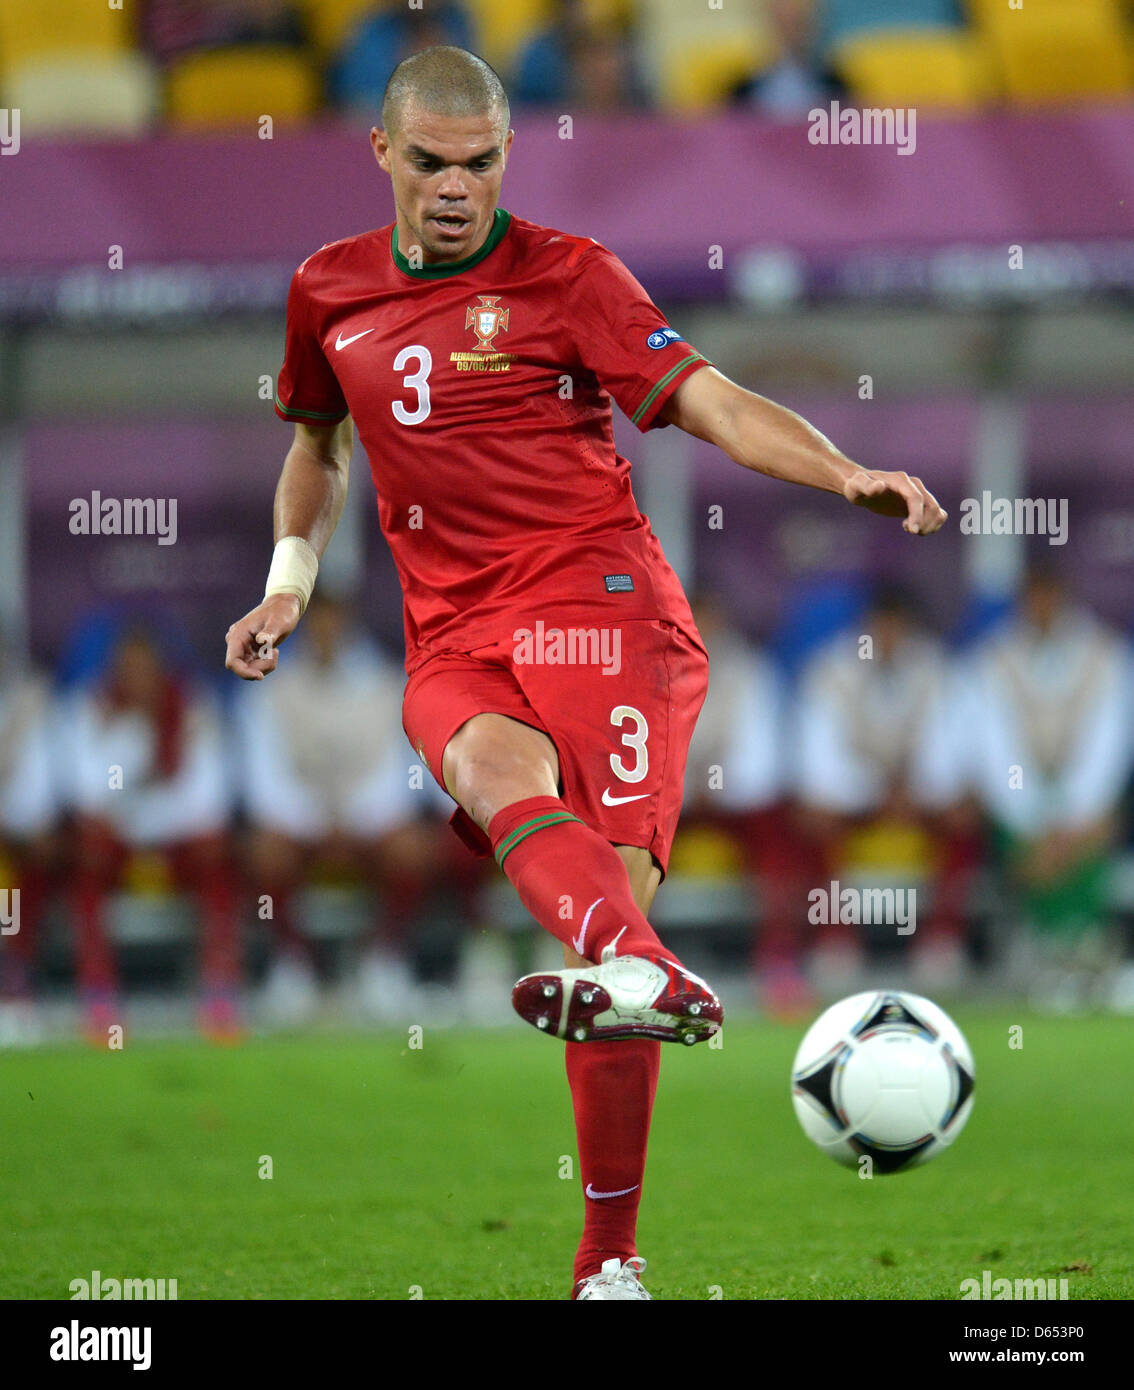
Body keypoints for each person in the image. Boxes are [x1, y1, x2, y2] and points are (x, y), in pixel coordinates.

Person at [223, 44, 946, 1300]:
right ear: (383, 153)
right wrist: (289, 582)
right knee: (505, 800)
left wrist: (845, 473)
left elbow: (711, 400)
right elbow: (317, 448)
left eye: (483, 162)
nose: (458, 188)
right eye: (434, 164)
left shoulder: (571, 277)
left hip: (603, 616)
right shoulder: (325, 288)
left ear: (509, 156)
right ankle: (646, 973)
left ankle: (608, 1260)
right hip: (452, 631)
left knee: (601, 926)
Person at [60, 625, 242, 1043]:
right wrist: (134, 735)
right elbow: (89, 796)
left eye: (147, 670)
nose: (139, 680)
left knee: (216, 855)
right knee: (87, 851)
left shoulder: (193, 706)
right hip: (118, 841)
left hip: (176, 838)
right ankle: (98, 992)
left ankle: (220, 989)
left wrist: (152, 825)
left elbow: (209, 798)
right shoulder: (91, 706)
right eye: (129, 670)